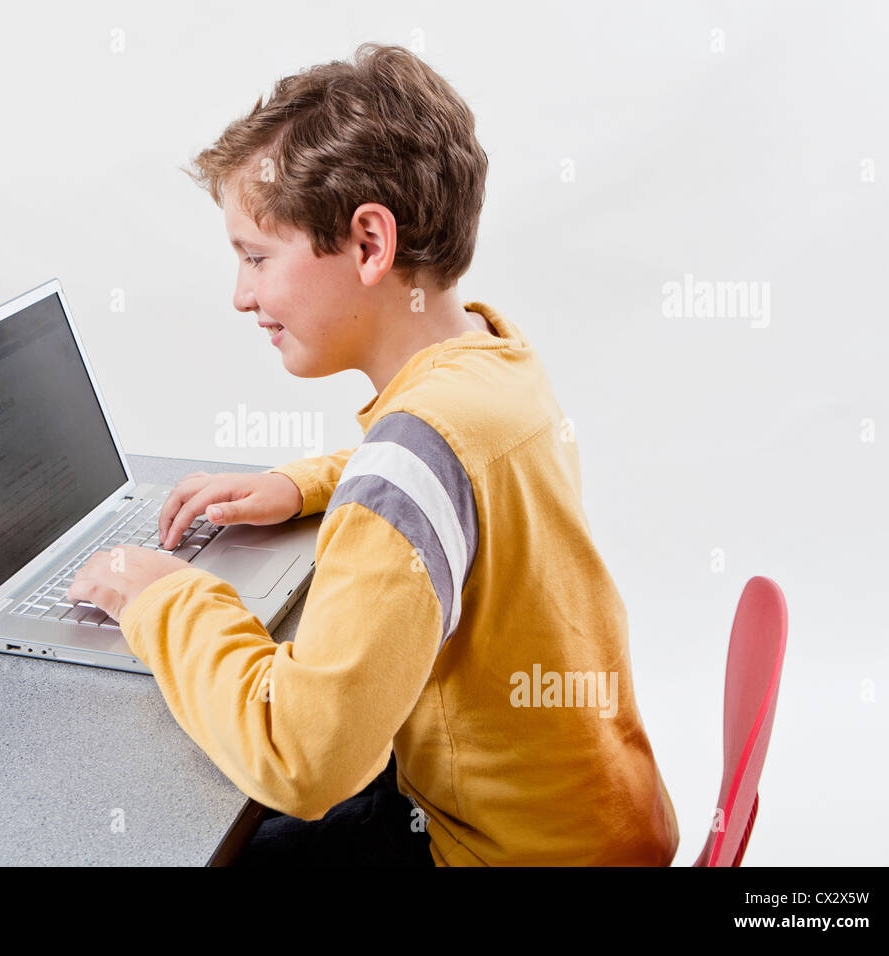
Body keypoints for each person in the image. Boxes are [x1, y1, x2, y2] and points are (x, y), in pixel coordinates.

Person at [67, 42, 679, 866]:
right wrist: (305, 483)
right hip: (595, 831)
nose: (241, 294)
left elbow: (305, 760)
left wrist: (163, 599)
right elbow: (461, 464)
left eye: (256, 256)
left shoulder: (411, 457)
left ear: (367, 244)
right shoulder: (495, 362)